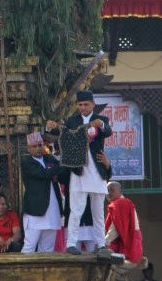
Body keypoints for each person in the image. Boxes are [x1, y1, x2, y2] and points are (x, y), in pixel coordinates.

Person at [46, 89, 112, 255]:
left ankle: (101, 245)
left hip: (96, 170)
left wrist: (101, 125)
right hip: (78, 170)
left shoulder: (101, 119)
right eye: (80, 104)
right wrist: (52, 128)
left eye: (86, 104)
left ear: (93, 104)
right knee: (76, 209)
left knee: (98, 211)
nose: (82, 107)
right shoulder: (72, 120)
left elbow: (108, 131)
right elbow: (64, 132)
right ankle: (71, 244)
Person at [20, 131, 63, 253]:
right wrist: (62, 162)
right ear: (29, 149)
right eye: (34, 146)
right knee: (29, 246)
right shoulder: (27, 163)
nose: (38, 148)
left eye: (40, 145)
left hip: (53, 209)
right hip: (35, 210)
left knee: (48, 249)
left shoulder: (49, 158)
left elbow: (60, 174)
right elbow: (44, 174)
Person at [104, 182, 143, 263]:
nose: (109, 193)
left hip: (129, 245)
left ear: (120, 192)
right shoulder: (124, 203)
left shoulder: (120, 203)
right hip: (133, 245)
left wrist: (105, 243)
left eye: (112, 190)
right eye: (107, 191)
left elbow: (117, 227)